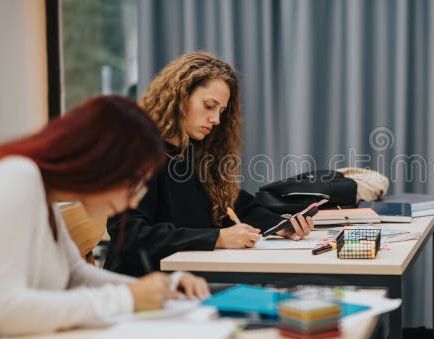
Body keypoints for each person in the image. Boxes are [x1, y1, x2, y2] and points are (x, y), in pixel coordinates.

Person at [0, 96, 209, 339]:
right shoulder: (16, 178)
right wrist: (129, 298)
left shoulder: (44, 195)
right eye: (134, 184)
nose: (134, 201)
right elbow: (3, 310)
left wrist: (162, 291)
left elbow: (75, 277)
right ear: (102, 162)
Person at [105, 51, 314, 276]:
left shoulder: (193, 151)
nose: (216, 120)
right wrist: (219, 238)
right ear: (180, 95)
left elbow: (231, 204)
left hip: (185, 279)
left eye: (221, 111)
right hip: (142, 288)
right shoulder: (138, 152)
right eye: (208, 106)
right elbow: (130, 236)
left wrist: (279, 225)